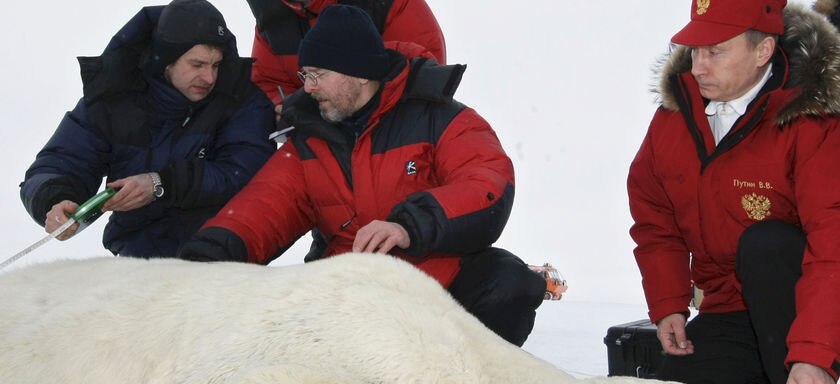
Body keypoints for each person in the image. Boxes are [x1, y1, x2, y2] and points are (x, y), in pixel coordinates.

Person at [179, 4, 547, 347]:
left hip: (438, 289)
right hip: (350, 298)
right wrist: (201, 260)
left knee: (509, 281)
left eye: (318, 75)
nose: (307, 87)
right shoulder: (309, 141)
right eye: (305, 75)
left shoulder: (441, 118)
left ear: (358, 73)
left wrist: (408, 226)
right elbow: (260, 209)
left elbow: (487, 182)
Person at [627, 0, 840, 384]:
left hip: (814, 311)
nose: (697, 66)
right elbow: (655, 219)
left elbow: (833, 244)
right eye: (694, 50)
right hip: (731, 310)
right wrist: (668, 305)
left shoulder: (811, 121)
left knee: (767, 244)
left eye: (715, 51)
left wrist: (816, 357)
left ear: (763, 51)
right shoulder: (673, 118)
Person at [20, 0, 275, 258]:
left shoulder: (242, 99)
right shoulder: (113, 97)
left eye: (216, 65)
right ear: (167, 61)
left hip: (223, 254)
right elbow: (61, 161)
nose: (209, 77)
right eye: (197, 65)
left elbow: (246, 172)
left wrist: (161, 184)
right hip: (139, 259)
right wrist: (55, 201)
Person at [245, 0, 446, 106]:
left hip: (394, 136)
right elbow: (266, 83)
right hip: (319, 144)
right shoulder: (271, 18)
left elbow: (422, 68)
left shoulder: (385, 3)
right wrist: (285, 108)